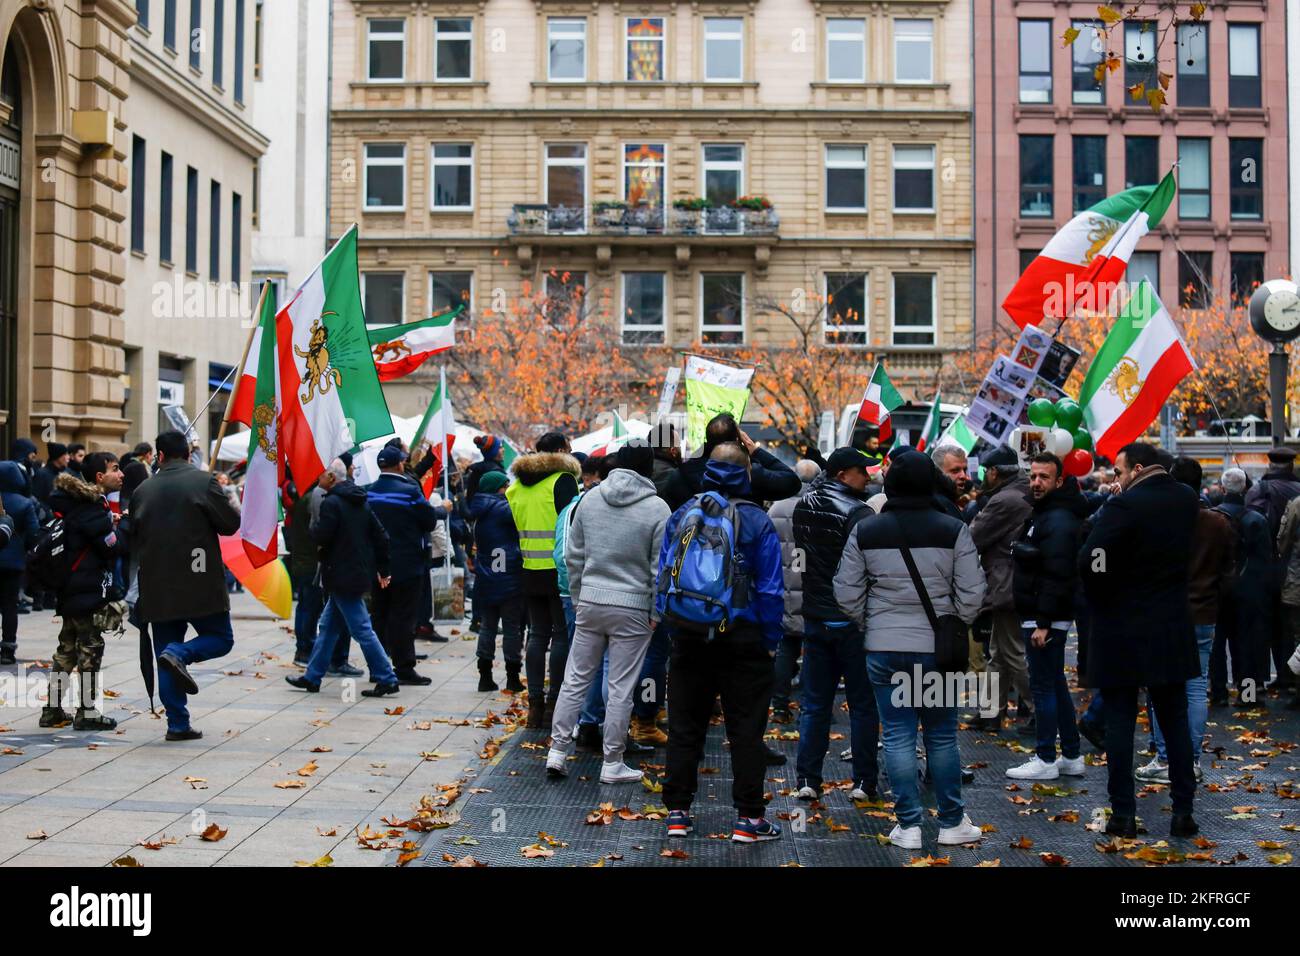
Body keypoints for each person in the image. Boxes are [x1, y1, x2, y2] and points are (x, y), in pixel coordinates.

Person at [833, 450, 986, 848]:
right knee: (940, 735)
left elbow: (845, 591)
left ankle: (909, 826)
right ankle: (952, 822)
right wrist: (955, 622)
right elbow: (973, 592)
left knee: (899, 735)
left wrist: (871, 623)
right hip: (937, 651)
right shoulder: (952, 528)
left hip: (884, 647)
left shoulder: (866, 530)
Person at [657, 443, 785, 844]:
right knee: (746, 730)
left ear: (709, 471)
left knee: (684, 725)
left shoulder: (682, 515)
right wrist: (770, 640)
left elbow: (663, 575)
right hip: (743, 638)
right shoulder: (757, 520)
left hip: (690, 635)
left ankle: (677, 812)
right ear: (747, 473)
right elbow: (770, 589)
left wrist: (673, 628)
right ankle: (749, 818)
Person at [1079, 442, 1200, 838]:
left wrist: (1102, 585)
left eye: (1119, 471)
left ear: (1138, 468)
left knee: (1119, 723)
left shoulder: (1124, 506)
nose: (1116, 478)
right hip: (1170, 625)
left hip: (1122, 627)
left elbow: (1091, 558)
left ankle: (1124, 814)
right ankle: (1183, 810)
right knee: (1174, 721)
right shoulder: (1185, 498)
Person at [546, 443, 670, 783]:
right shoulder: (658, 508)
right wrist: (656, 610)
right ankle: (612, 761)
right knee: (620, 687)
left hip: (590, 601)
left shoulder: (590, 500)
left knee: (576, 678)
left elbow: (574, 554)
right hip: (633, 607)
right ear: (648, 470)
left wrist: (578, 595)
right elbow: (661, 567)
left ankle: (557, 751)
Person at [131, 431, 242, 740]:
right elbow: (231, 524)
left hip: (157, 584)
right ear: (189, 453)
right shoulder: (203, 482)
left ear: (160, 456)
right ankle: (182, 652)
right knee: (220, 639)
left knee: (164, 653)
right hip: (199, 579)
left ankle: (177, 723)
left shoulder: (142, 490)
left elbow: (134, 536)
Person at [1137, 457, 1235, 782]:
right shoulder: (1218, 523)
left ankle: (1166, 758)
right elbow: (1228, 568)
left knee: (1162, 687)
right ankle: (1190, 759)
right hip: (1205, 612)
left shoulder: (1165, 521)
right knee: (1196, 687)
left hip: (1169, 613)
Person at [792, 447, 880, 802]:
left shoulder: (803, 506)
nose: (869, 476)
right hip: (851, 621)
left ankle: (807, 779)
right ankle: (863, 781)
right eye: (863, 471)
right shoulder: (858, 513)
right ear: (843, 474)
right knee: (861, 705)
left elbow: (803, 562)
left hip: (815, 617)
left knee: (815, 704)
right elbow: (866, 569)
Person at [286, 458, 402, 697]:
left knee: (361, 630)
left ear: (331, 477)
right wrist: (383, 568)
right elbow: (381, 535)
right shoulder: (359, 501)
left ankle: (387, 677)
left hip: (341, 576)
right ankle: (312, 676)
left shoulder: (333, 503)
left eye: (320, 476)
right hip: (354, 572)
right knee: (328, 627)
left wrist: (312, 528)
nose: (318, 480)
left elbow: (322, 536)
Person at [1006, 452, 1088, 780]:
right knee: (1054, 683)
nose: (1037, 482)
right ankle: (1069, 754)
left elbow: (1058, 573)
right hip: (1044, 613)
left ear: (1059, 480)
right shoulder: (1051, 514)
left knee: (1043, 686)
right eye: (1034, 476)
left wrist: (1042, 622)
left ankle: (1045, 757)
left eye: (1044, 477)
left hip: (1044, 617)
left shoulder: (1057, 519)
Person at [41, 452, 126, 730]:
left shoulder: (77, 503)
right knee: (90, 648)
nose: (121, 474)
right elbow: (110, 547)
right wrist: (122, 530)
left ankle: (52, 710)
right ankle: (87, 713)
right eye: (116, 469)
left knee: (66, 649)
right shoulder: (91, 507)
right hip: (86, 589)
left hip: (71, 586)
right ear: (100, 477)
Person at [506, 432, 580, 728]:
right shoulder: (563, 481)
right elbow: (572, 526)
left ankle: (534, 706)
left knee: (537, 635)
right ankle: (553, 705)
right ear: (561, 450)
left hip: (529, 567)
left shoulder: (516, 487)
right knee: (561, 635)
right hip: (559, 569)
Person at [968, 444, 1034, 734]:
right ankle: (990, 711)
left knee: (1013, 653)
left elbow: (973, 537)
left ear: (994, 472)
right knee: (999, 652)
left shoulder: (1004, 500)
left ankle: (1041, 708)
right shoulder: (1021, 492)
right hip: (1012, 583)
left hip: (1005, 584)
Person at [367, 444, 441, 686]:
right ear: (399, 464)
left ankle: (377, 666)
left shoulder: (369, 492)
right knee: (403, 616)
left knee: (379, 615)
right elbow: (429, 521)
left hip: (378, 565)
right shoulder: (409, 491)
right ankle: (404, 667)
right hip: (407, 563)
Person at [766, 458, 818, 722]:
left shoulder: (775, 508)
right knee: (813, 649)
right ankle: (810, 706)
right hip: (812, 589)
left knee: (786, 647)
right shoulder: (818, 508)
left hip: (784, 588)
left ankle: (780, 704)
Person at [1246, 447, 1300, 692]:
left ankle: (1261, 680)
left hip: (1263, 569)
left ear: (1270, 465)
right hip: (1293, 570)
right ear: (1290, 465)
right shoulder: (1298, 492)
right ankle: (1290, 677)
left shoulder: (1259, 490)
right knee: (1290, 627)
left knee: (1264, 626)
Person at [668, 413, 801, 509]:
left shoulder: (680, 474)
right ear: (739, 439)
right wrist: (755, 450)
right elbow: (792, 482)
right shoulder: (750, 474)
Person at [469, 470, 524, 692]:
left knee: (488, 626)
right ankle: (512, 677)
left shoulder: (480, 508)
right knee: (512, 628)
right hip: (508, 575)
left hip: (486, 575)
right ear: (499, 487)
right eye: (506, 484)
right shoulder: (504, 508)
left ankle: (485, 675)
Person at [0, 461, 39, 665]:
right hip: (13, 564)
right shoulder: (25, 503)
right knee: (9, 605)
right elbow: (34, 536)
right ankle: (7, 648)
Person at [466, 434, 508, 501]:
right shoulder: (495, 472)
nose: (504, 449)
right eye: (500, 447)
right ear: (493, 452)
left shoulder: (478, 469)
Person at [31, 442, 70, 509]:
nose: (68, 457)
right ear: (58, 457)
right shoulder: (41, 474)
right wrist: (49, 513)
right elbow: (37, 499)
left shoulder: (65, 473)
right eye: (65, 454)